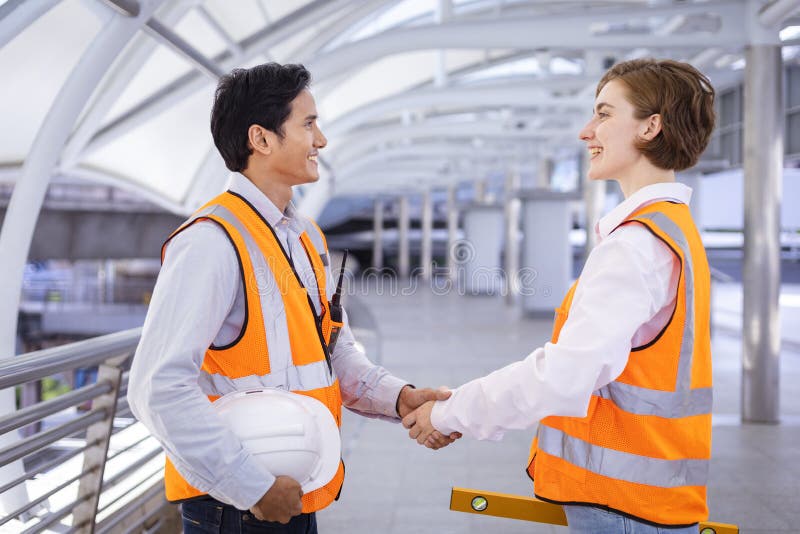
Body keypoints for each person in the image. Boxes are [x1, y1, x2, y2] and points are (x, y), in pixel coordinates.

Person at [127, 62, 457, 534]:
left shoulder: (304, 238)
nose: (321, 141)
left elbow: (330, 348)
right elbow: (155, 388)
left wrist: (398, 398)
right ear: (260, 139)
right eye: (308, 124)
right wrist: (252, 487)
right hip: (237, 506)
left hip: (288, 493)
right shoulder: (210, 241)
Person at [403, 58, 715, 533]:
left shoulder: (636, 245)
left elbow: (565, 375)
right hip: (652, 501)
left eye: (604, 114)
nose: (586, 131)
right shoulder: (674, 232)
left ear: (651, 126)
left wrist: (449, 412)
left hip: (623, 508)